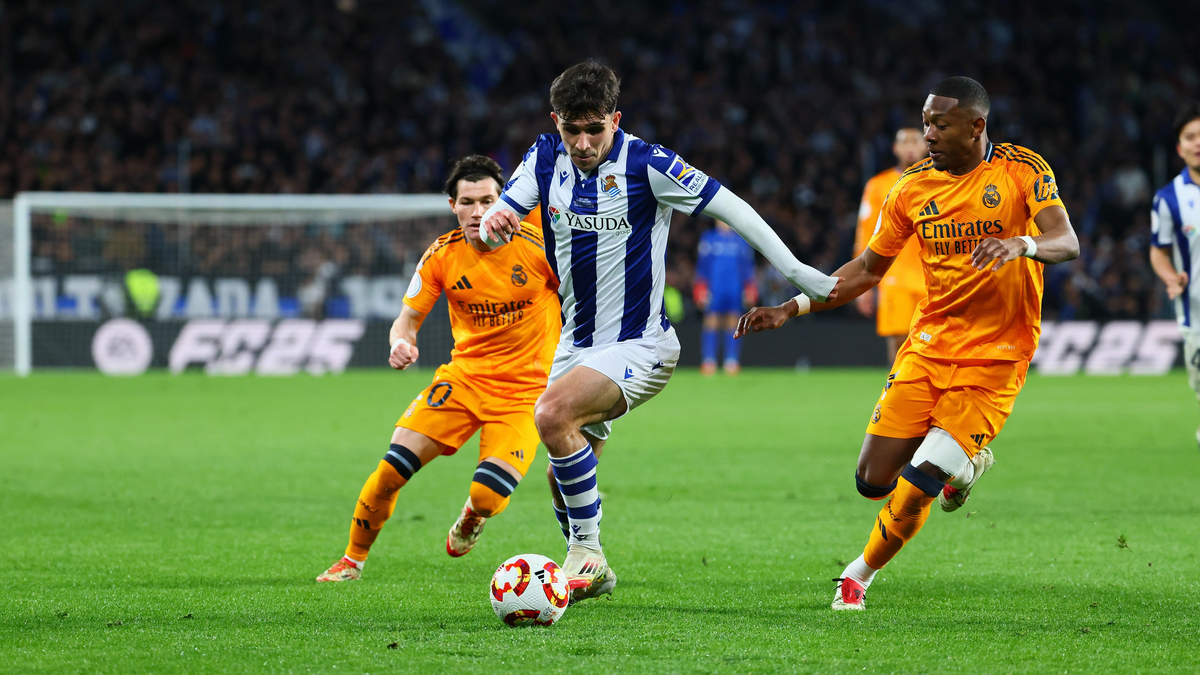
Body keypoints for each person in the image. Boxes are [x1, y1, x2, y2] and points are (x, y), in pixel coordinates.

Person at [480, 61, 838, 602]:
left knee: (552, 415)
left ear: (615, 120)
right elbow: (497, 220)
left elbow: (733, 207)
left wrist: (797, 274)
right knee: (560, 474)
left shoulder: (648, 164)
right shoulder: (543, 155)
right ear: (556, 121)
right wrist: (494, 223)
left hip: (641, 343)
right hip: (575, 344)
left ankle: (587, 553)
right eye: (570, 129)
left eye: (593, 129)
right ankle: (593, 566)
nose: (581, 143)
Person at [736, 76, 1079, 610]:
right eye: (925, 123)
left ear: (976, 126)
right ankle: (967, 463)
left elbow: (1067, 240)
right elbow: (867, 270)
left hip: (997, 353)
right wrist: (792, 306)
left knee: (919, 479)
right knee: (873, 482)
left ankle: (859, 574)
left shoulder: (1021, 169)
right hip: (927, 346)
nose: (928, 134)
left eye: (940, 124)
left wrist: (1023, 244)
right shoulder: (912, 187)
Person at [316, 156, 559, 582]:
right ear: (453, 205)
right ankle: (351, 561)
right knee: (390, 469)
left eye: (488, 200)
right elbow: (406, 321)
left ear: (505, 201)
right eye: (468, 202)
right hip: (462, 382)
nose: (479, 211)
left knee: (486, 496)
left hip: (524, 395)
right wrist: (400, 344)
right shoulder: (441, 256)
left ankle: (473, 516)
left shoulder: (541, 249)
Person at [1149, 101, 1200, 445]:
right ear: (1180, 148)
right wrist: (1170, 276)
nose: (1198, 142)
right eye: (1190, 136)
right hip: (1196, 313)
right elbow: (1158, 250)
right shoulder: (1168, 198)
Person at [854, 129, 928, 364]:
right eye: (904, 143)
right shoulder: (877, 185)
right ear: (895, 149)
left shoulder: (942, 180)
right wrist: (862, 283)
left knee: (935, 343)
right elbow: (866, 234)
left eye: (915, 142)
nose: (910, 147)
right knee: (898, 342)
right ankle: (896, 395)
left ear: (926, 146)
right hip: (894, 277)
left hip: (936, 275)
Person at [694, 219, 758, 375]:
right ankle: (709, 361)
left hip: (734, 288)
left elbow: (747, 268)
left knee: (733, 322)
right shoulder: (708, 238)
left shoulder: (741, 240)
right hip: (715, 288)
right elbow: (702, 267)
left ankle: (732, 361)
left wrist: (750, 287)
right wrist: (700, 287)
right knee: (711, 321)